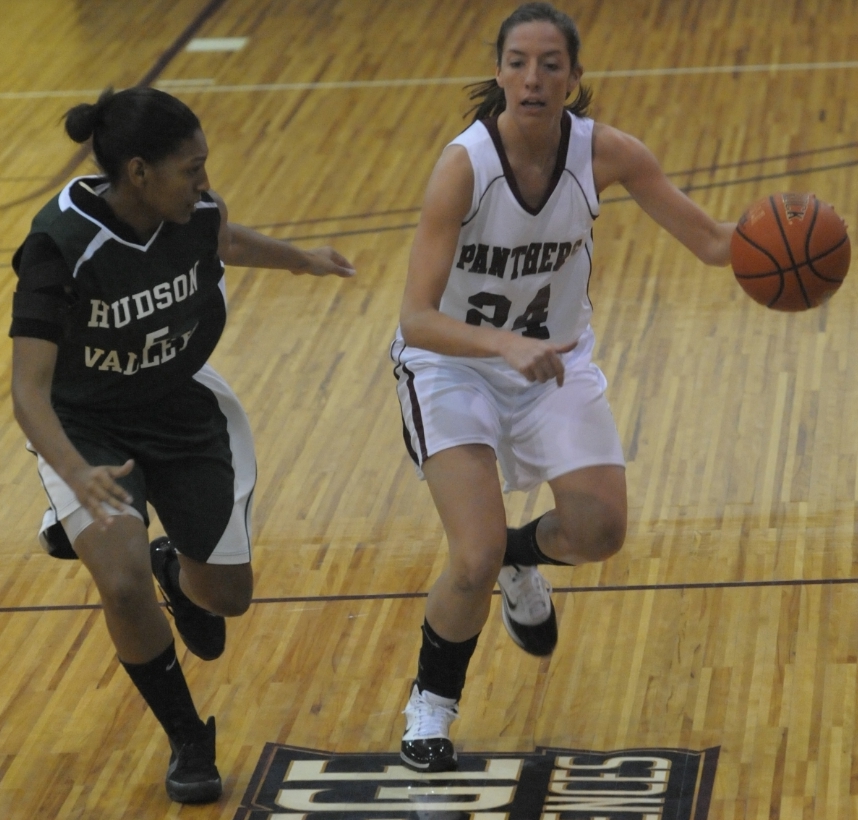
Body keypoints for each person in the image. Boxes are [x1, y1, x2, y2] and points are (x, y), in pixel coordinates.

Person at [391, 1, 736, 772]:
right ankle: (429, 705)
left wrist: (794, 246)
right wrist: (501, 343)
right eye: (518, 62)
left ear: (575, 79)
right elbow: (416, 319)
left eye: (551, 64)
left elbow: (713, 241)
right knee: (469, 557)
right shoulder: (463, 166)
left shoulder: (607, 153)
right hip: (452, 366)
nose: (533, 78)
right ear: (499, 73)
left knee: (599, 532)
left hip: (556, 361)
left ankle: (524, 556)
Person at [8, 86, 354, 804]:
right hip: (88, 426)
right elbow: (29, 391)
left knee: (227, 599)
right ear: (138, 172)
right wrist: (75, 472)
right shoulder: (59, 246)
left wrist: (302, 261)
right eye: (189, 169)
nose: (203, 181)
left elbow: (226, 240)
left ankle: (174, 564)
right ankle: (187, 736)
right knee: (120, 577)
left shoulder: (196, 214)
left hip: (181, 406)